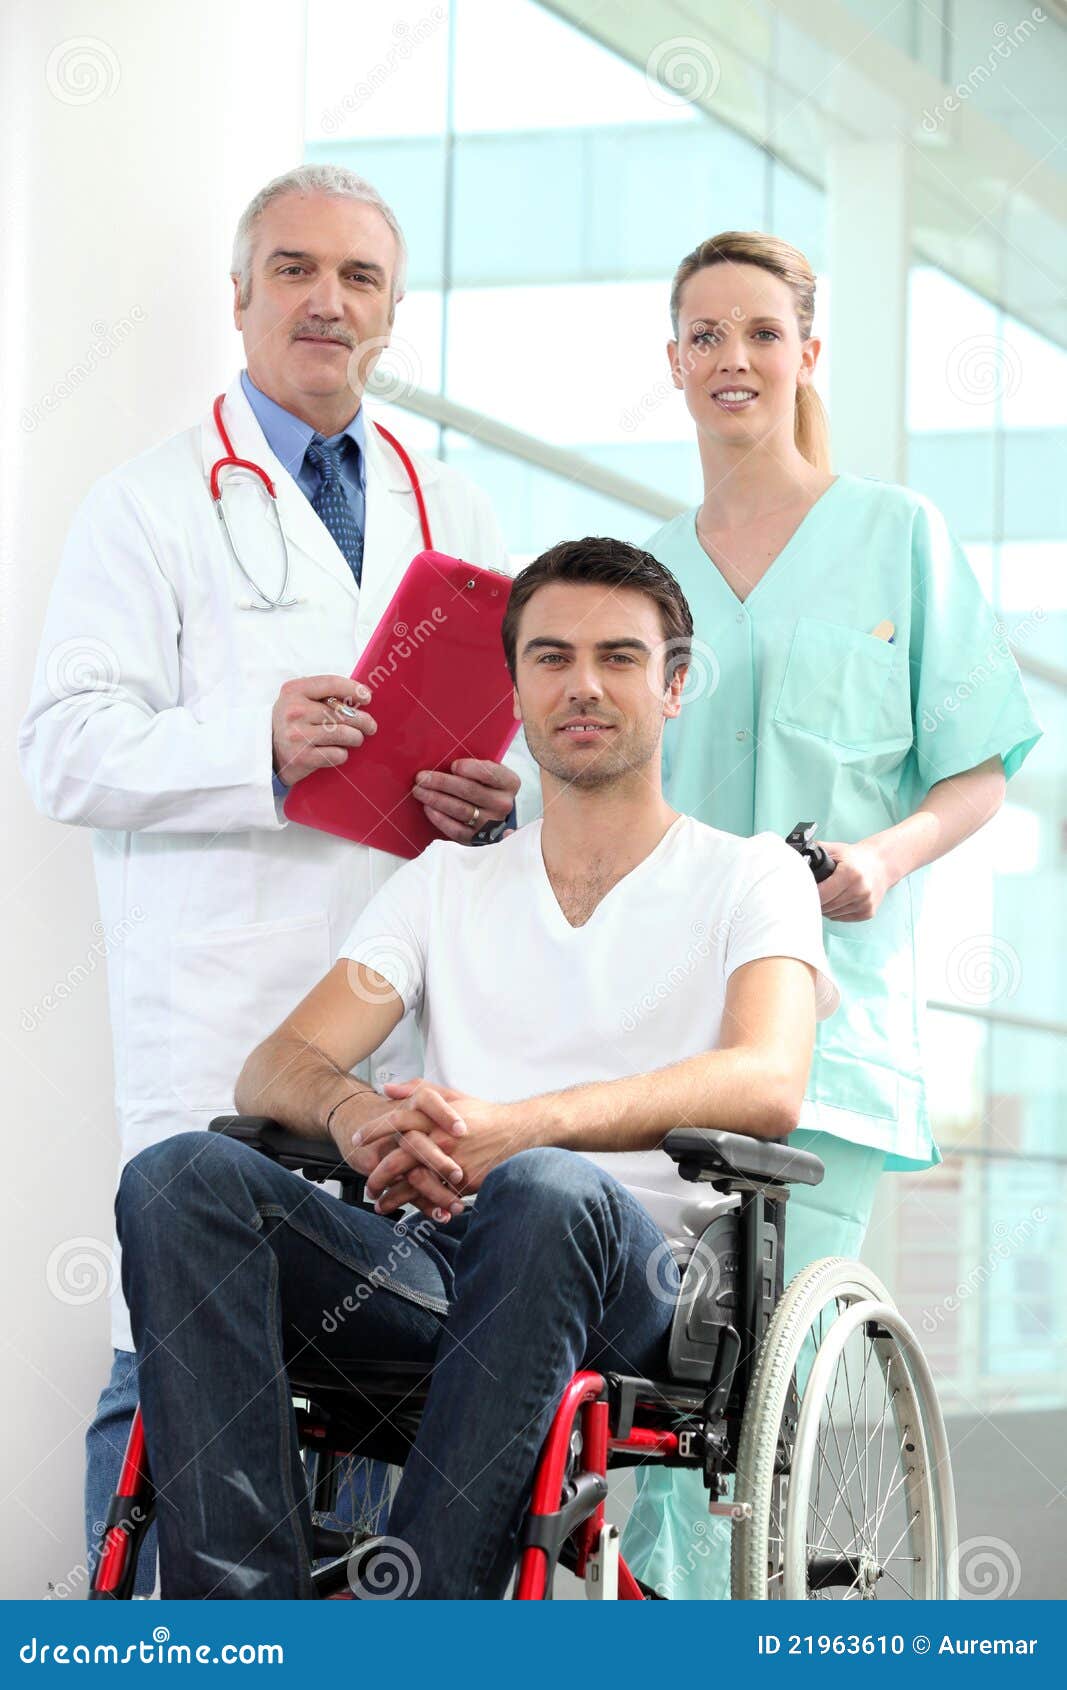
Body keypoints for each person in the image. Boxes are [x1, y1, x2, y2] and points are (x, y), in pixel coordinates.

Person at [115, 536, 840, 1599]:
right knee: (178, 1178)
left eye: (618, 658)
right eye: (549, 657)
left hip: (635, 1291)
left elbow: (766, 1078)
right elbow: (278, 1064)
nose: (581, 684)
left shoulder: (751, 878)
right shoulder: (444, 883)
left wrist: (517, 1127)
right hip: (435, 1269)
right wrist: (356, 1114)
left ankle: (420, 1631)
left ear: (675, 682)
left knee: (543, 1190)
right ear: (513, 687)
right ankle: (242, 1624)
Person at [18, 163, 535, 1593]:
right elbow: (62, 748)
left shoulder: (462, 508)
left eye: (358, 277)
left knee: (381, 1392)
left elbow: (516, 763)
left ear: (392, 311)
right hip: (218, 1016)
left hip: (399, 1039)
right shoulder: (146, 505)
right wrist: (253, 738)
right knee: (177, 1361)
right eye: (294, 270)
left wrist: (492, 804)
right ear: (238, 298)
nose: (327, 300)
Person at [619, 231, 1043, 1599]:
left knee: (757, 1404)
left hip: (829, 1038)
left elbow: (973, 766)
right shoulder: (638, 571)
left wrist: (883, 855)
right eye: (702, 334)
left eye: (758, 331)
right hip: (653, 1036)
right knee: (643, 1406)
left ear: (806, 355)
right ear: (672, 362)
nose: (729, 357)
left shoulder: (894, 537)